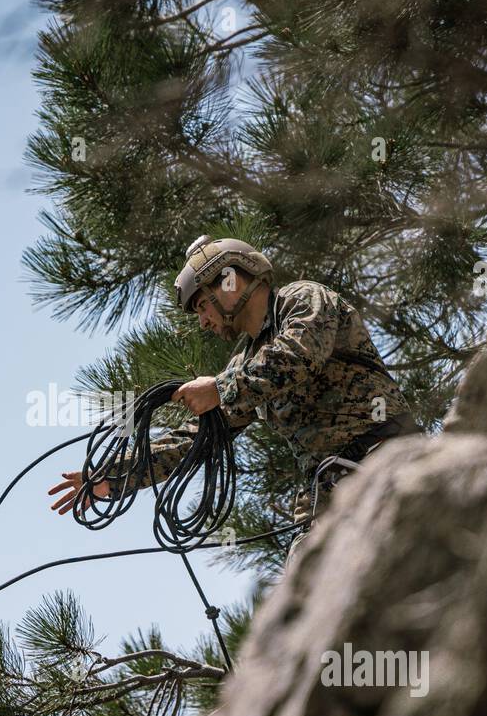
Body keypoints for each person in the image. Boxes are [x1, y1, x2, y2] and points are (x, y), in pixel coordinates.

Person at [48, 236, 420, 558]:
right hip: (328, 496)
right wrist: (113, 477)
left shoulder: (301, 299)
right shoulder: (243, 362)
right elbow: (196, 439)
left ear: (228, 281)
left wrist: (220, 387)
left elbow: (299, 354)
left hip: (386, 458)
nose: (203, 322)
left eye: (202, 306)